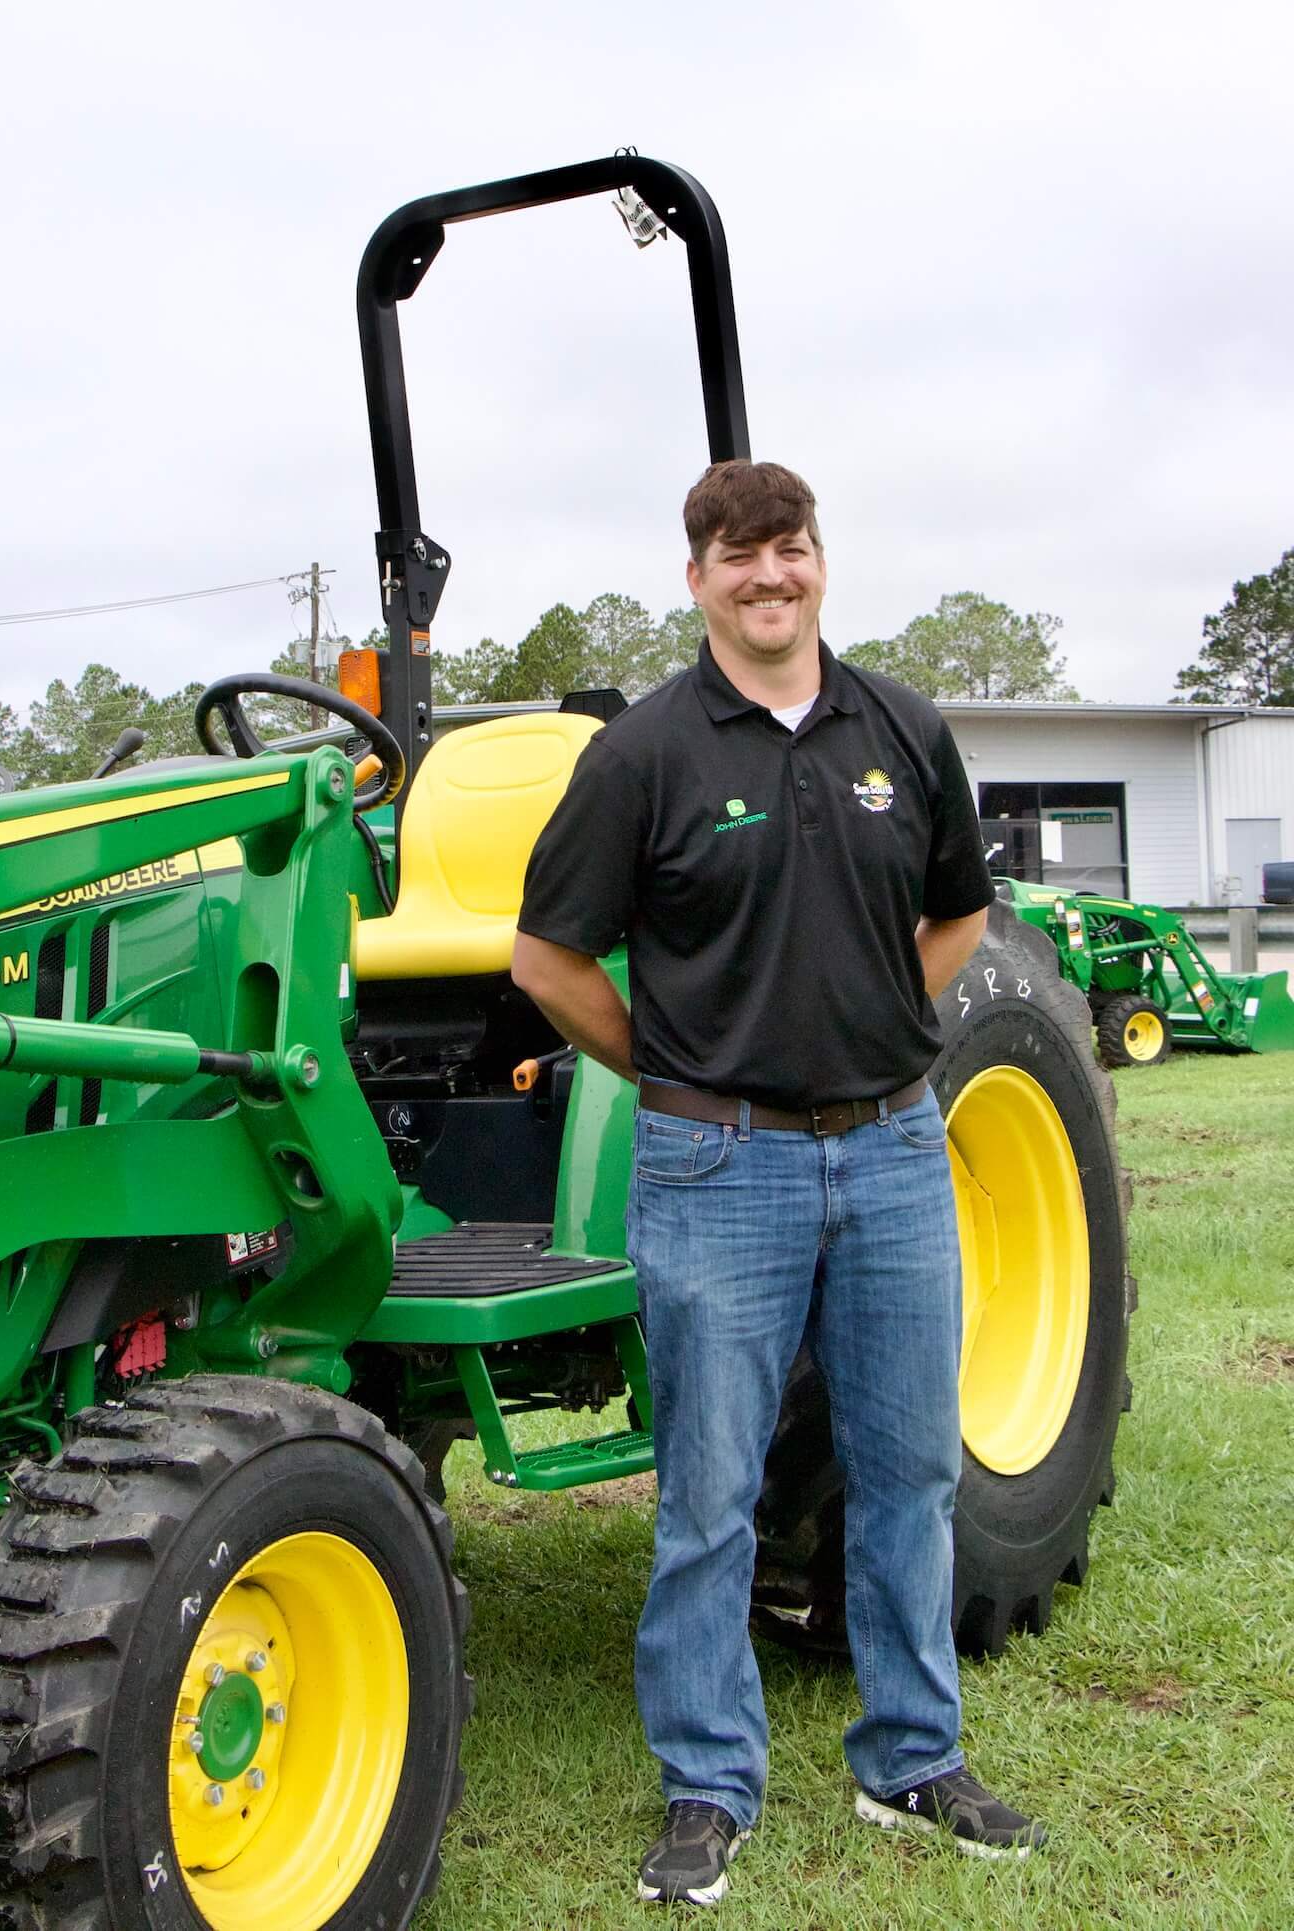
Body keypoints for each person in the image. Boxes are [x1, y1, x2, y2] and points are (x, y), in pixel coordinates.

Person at [511, 460, 1046, 1907]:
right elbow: (545, 960)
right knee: (710, 1495)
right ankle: (707, 1784)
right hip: (714, 1164)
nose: (769, 576)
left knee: (912, 1469)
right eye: (737, 556)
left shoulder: (904, 731)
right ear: (696, 579)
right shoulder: (644, 755)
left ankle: (912, 1758)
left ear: (821, 564)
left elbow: (959, 911)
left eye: (790, 550)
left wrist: (885, 1028)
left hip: (890, 1154)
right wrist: (672, 1067)